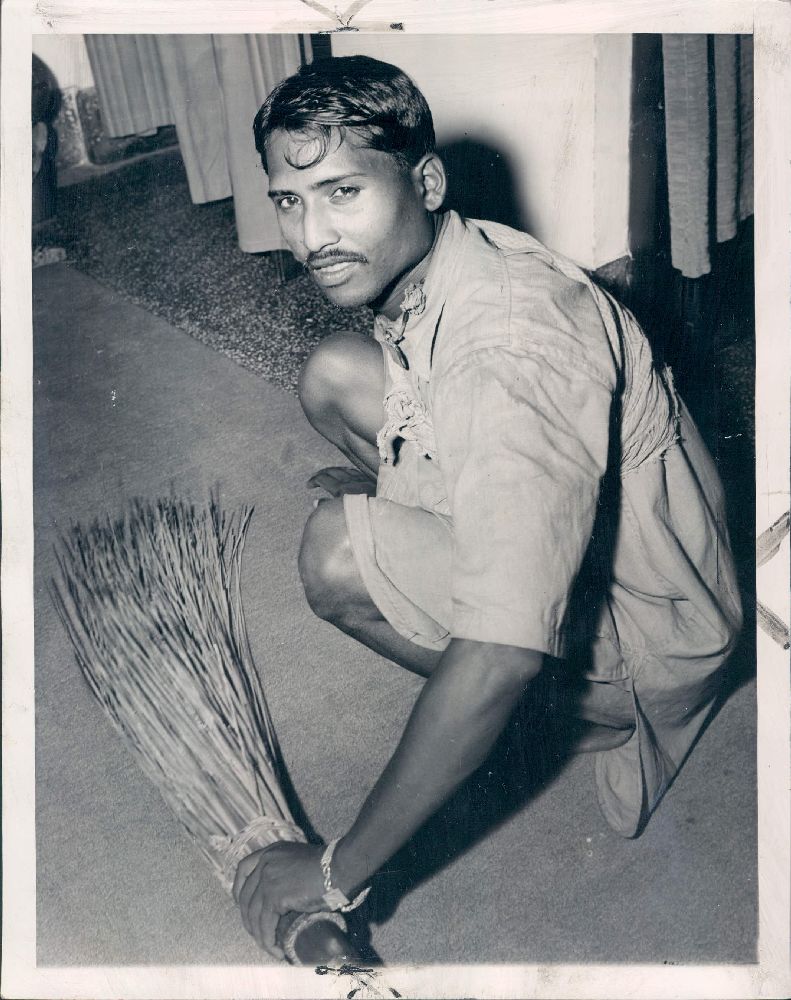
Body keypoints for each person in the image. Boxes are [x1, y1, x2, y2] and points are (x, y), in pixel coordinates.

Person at [232, 55, 742, 959]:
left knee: (337, 556)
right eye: (289, 201)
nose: (312, 236)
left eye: (343, 192)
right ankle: (485, 539)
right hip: (594, 518)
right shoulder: (452, 251)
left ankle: (596, 712)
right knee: (334, 378)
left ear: (425, 181)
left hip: (651, 620)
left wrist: (337, 870)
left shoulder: (513, 348)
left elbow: (499, 657)